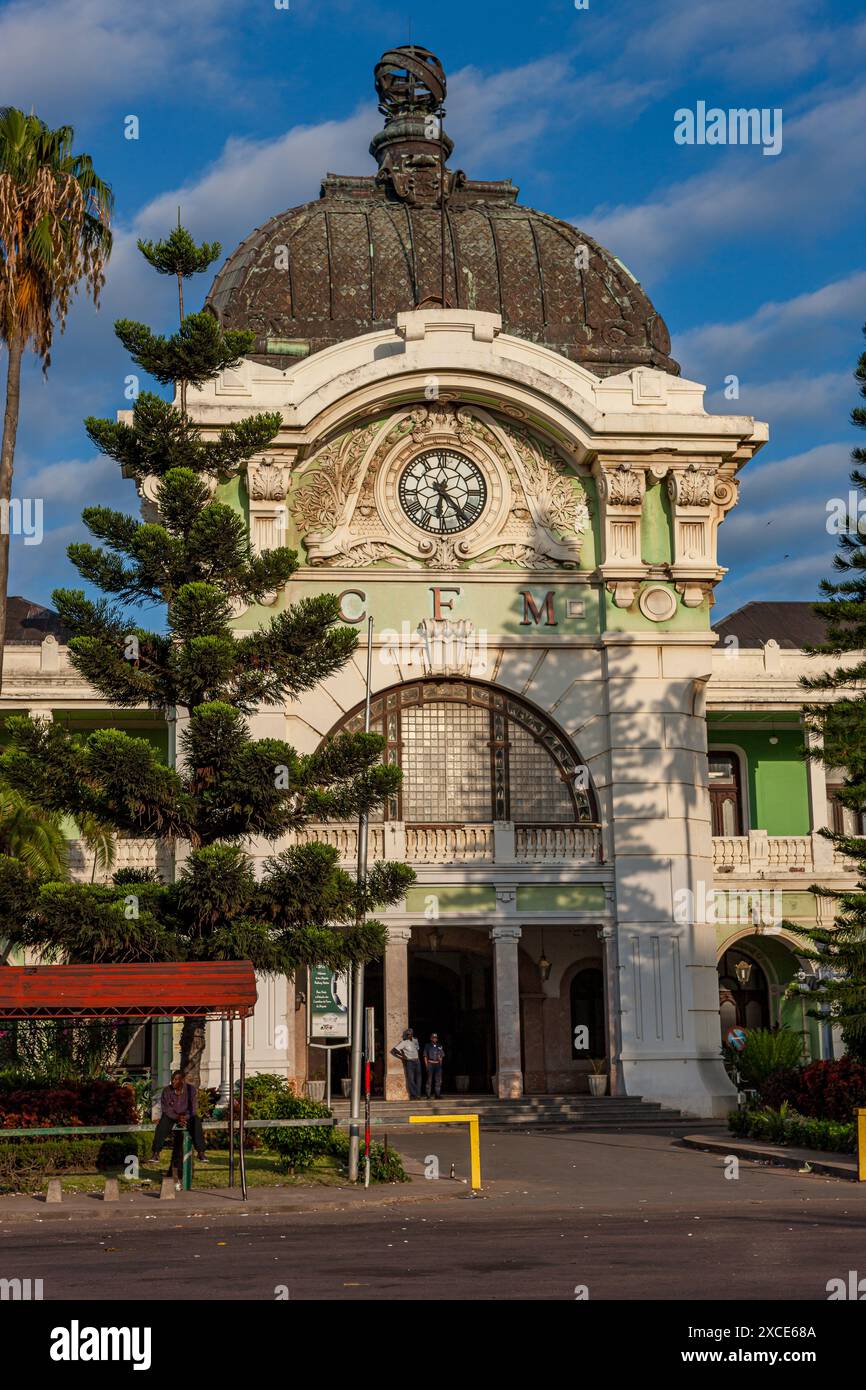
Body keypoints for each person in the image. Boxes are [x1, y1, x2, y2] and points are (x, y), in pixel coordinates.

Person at [147, 1071, 207, 1166]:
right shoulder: (167, 1090)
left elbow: (193, 1108)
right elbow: (166, 1109)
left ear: (182, 1080)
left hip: (187, 1116)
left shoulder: (191, 1090)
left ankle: (201, 1153)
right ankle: (155, 1153)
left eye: (175, 1079)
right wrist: (177, 1117)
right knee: (162, 1124)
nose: (173, 1081)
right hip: (172, 1116)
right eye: (172, 1079)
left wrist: (185, 1117)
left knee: (196, 1121)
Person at [391, 1027, 421, 1098]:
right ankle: (414, 1094)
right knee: (411, 1079)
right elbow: (393, 1051)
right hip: (410, 1062)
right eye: (408, 1034)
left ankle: (418, 1094)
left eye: (410, 1034)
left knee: (419, 1078)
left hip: (417, 1061)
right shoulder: (404, 1042)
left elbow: (417, 1049)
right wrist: (402, 1056)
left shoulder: (415, 1040)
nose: (409, 1035)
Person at [423, 1033, 445, 1098]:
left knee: (438, 1080)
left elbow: (441, 1056)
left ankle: (437, 1094)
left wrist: (440, 1065)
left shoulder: (439, 1046)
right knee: (429, 1080)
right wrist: (426, 1065)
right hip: (430, 1063)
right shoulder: (427, 1045)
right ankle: (428, 1095)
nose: (434, 1039)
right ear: (431, 1038)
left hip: (437, 1064)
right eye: (433, 1037)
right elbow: (425, 1056)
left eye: (435, 1038)